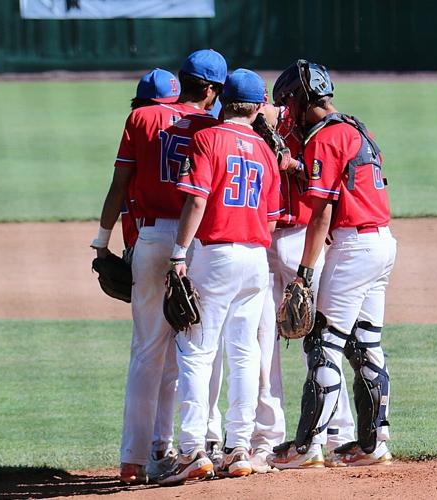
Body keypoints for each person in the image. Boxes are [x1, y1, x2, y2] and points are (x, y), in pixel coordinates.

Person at [89, 51, 227, 484]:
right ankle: (202, 444)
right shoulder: (213, 126)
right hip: (196, 242)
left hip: (149, 241)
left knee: (147, 351)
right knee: (197, 348)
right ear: (208, 89)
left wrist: (101, 239)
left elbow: (119, 184)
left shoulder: (142, 119)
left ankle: (137, 459)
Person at [269, 60, 397, 469]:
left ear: (303, 99)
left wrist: (305, 274)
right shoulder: (356, 127)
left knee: (323, 345)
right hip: (382, 243)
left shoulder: (323, 137)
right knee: (366, 346)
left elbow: (321, 212)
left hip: (352, 247)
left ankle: (307, 446)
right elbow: (341, 181)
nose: (286, 110)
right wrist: (297, 167)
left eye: (289, 101)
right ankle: (374, 443)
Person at [159, 69, 281, 485]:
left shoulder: (208, 139)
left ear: (222, 100)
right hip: (255, 260)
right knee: (245, 353)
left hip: (216, 254)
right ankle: (240, 448)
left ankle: (193, 448)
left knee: (196, 351)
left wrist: (178, 254)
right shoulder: (266, 150)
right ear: (256, 105)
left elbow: (196, 201)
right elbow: (271, 215)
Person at [249, 103, 357, 472]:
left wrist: (288, 157)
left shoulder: (306, 126)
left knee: (318, 341)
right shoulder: (242, 127)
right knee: (263, 344)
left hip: (301, 238)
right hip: (262, 238)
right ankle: (266, 438)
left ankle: (338, 433)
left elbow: (324, 175)